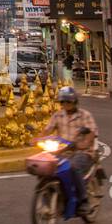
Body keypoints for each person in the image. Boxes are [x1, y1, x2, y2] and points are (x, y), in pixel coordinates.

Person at [37, 86, 98, 215]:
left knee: (73, 167)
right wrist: (36, 139)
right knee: (44, 167)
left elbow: (92, 132)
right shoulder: (58, 115)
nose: (66, 104)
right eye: (63, 102)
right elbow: (48, 129)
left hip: (82, 152)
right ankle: (50, 196)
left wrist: (84, 143)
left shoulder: (85, 115)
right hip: (62, 151)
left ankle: (84, 200)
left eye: (68, 101)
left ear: (75, 101)